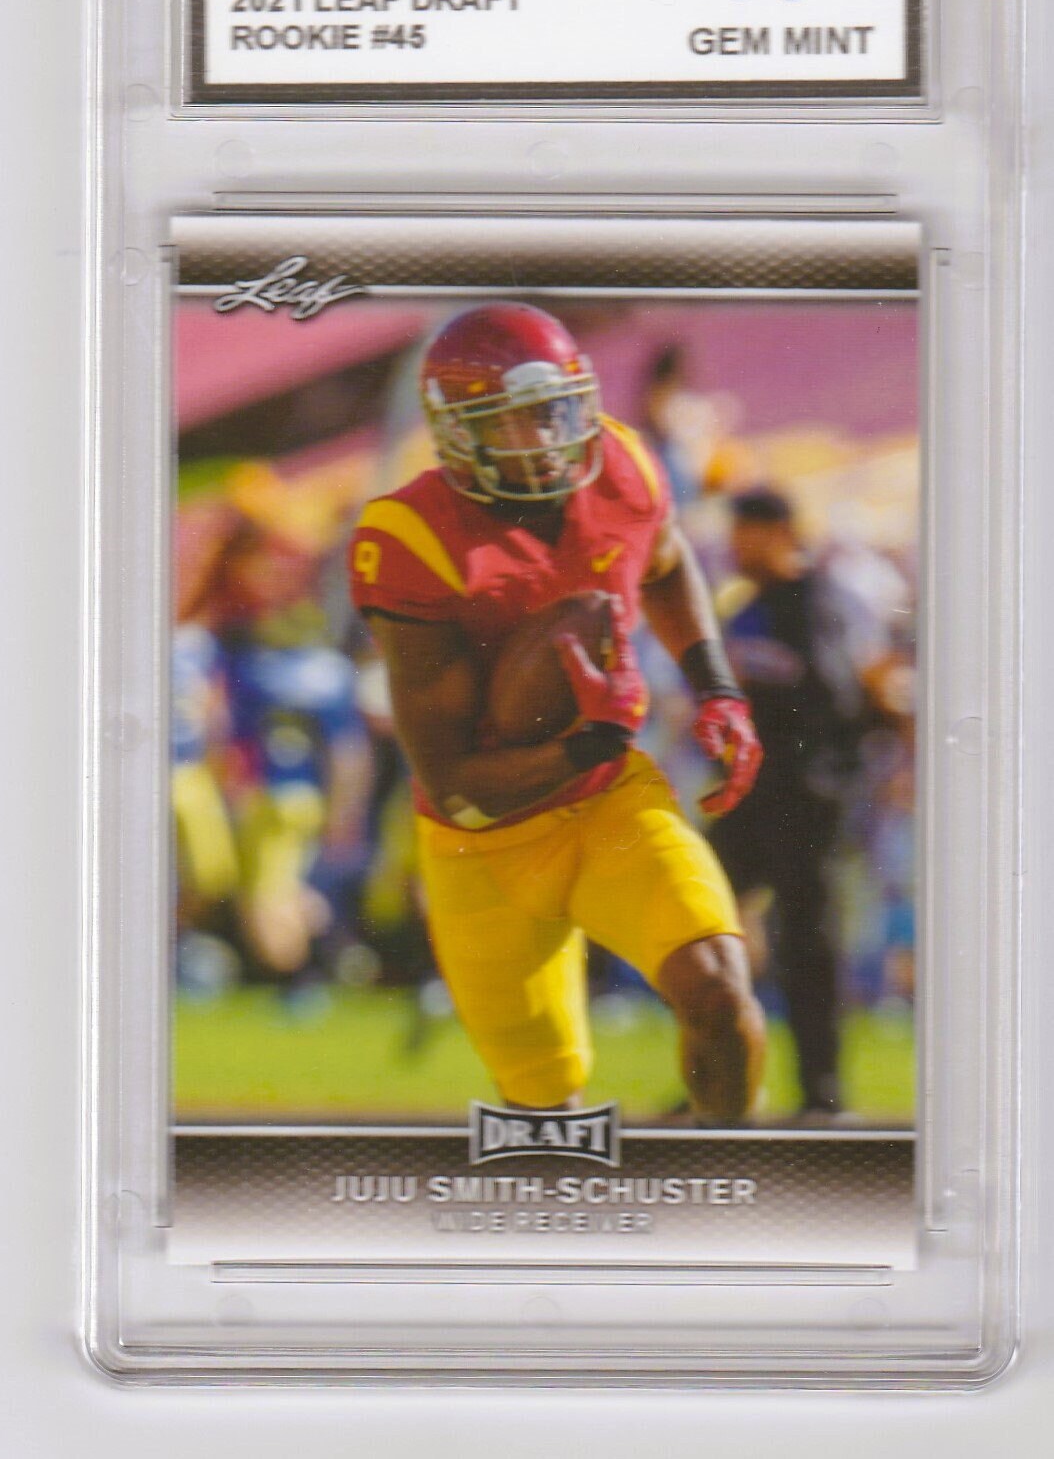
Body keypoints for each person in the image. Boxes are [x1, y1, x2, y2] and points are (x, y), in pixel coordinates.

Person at [348, 302, 765, 1122]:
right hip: (482, 845)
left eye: (550, 411)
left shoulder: (624, 464)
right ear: (458, 432)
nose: (541, 438)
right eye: (510, 420)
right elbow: (457, 784)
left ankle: (728, 1179)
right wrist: (590, 739)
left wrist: (716, 683)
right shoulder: (412, 536)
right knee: (545, 1108)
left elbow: (666, 561)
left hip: (607, 802)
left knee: (719, 992)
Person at [709, 486, 896, 1123]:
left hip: (808, 796)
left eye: (749, 532)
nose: (738, 546)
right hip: (752, 796)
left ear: (782, 532)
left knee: (807, 945)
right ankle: (716, 1080)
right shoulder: (747, 608)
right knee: (700, 920)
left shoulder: (821, 600)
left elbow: (848, 693)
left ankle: (822, 1095)